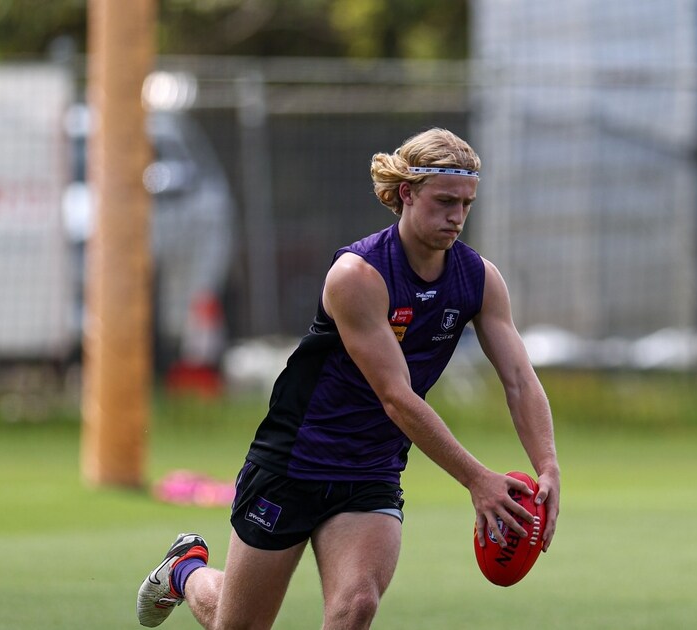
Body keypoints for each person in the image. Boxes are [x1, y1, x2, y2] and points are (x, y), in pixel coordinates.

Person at [136, 127, 561, 629]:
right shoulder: (357, 276)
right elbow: (396, 396)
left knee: (357, 603)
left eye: (466, 203)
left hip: (371, 469)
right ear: (406, 193)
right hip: (294, 460)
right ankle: (185, 571)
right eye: (445, 201)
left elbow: (519, 379)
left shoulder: (479, 279)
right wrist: (476, 479)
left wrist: (547, 465)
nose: (457, 216)